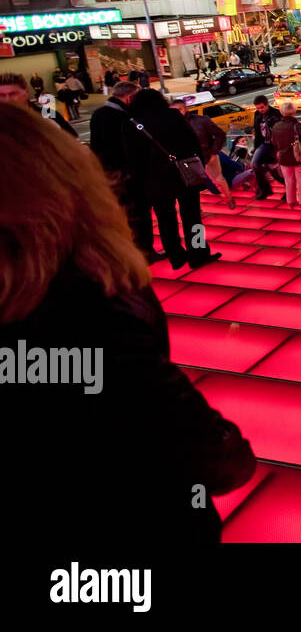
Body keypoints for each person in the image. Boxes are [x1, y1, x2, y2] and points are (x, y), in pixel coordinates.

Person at [0, 103, 256, 542]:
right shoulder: (91, 310)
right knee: (188, 223)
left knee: (172, 226)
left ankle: (179, 253)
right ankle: (191, 253)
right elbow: (213, 456)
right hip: (137, 525)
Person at [123, 89, 222, 271]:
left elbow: (132, 157)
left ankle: (176, 255)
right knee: (192, 217)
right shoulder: (173, 115)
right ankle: (198, 253)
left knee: (165, 219)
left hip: (154, 179)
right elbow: (192, 142)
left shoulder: (133, 124)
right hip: (184, 173)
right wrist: (198, 164)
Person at [89, 80, 154, 256]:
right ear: (129, 98)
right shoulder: (124, 117)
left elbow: (95, 145)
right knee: (139, 212)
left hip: (107, 172)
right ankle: (145, 250)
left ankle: (128, 251)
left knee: (120, 213)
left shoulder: (98, 114)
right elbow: (131, 148)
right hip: (127, 173)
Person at [171, 97, 235, 210]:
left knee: (218, 179)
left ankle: (229, 199)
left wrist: (214, 152)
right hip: (188, 158)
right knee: (192, 185)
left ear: (185, 108)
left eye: (179, 110)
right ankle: (197, 208)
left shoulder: (200, 120)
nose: (177, 113)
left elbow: (220, 134)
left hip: (207, 155)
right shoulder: (173, 125)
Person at [271, 102, 301, 208]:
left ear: (282, 112)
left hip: (283, 158)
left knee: (288, 180)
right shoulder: (297, 125)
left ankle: (291, 201)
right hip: (298, 156)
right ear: (294, 111)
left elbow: (273, 142)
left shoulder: (276, 126)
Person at [249, 95, 283, 200]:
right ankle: (265, 189)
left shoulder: (275, 114)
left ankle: (288, 189)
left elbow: (279, 132)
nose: (260, 110)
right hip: (263, 144)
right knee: (255, 165)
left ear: (267, 104)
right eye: (258, 108)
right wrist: (256, 147)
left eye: (262, 107)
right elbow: (257, 132)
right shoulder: (257, 114)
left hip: (275, 145)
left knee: (274, 169)